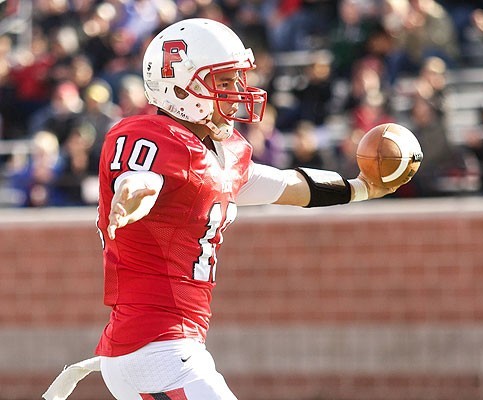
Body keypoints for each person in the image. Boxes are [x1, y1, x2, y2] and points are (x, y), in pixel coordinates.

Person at [43, 18, 400, 400]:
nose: (238, 91)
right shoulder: (149, 136)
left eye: (237, 80)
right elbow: (144, 178)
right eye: (225, 82)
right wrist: (132, 195)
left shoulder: (218, 155)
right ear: (180, 87)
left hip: (163, 349)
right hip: (155, 350)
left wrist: (364, 188)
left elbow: (285, 185)